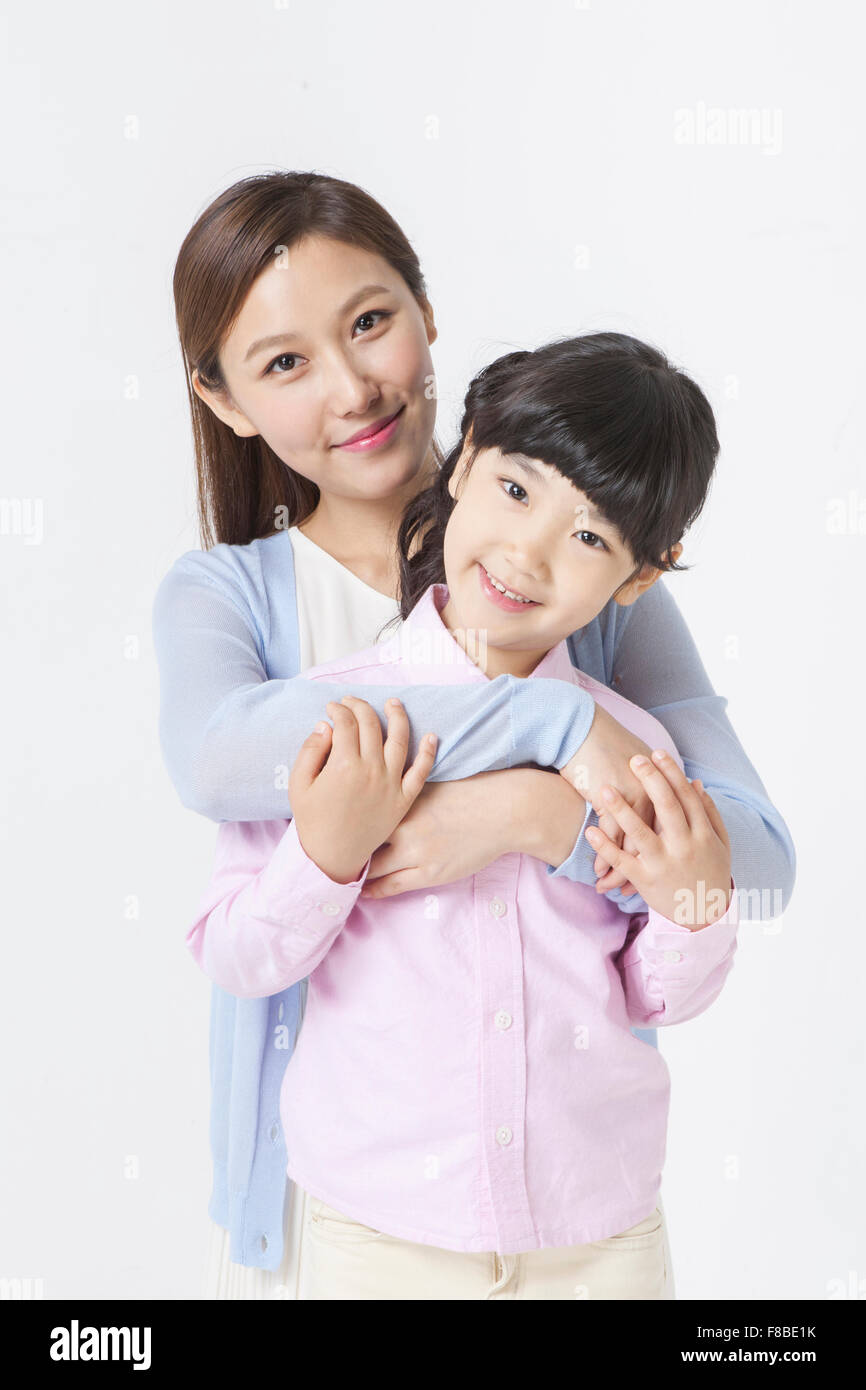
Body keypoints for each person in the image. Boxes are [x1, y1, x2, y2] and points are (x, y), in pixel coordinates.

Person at [152, 170, 796, 1298]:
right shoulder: (232, 597)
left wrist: (535, 813)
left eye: (369, 323)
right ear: (226, 400)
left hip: (561, 1209)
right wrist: (546, 724)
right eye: (285, 362)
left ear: (425, 313)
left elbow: (756, 860)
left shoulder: (582, 585)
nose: (353, 388)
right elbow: (218, 765)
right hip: (332, 1200)